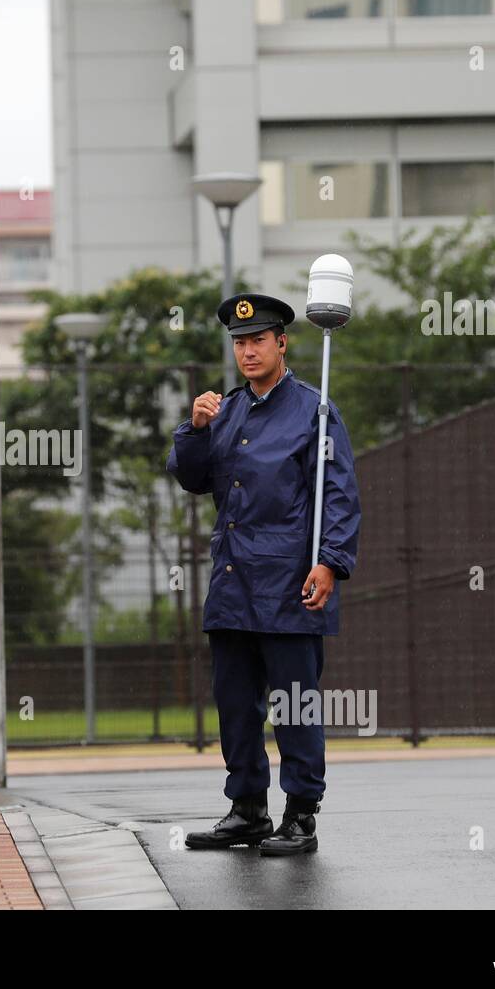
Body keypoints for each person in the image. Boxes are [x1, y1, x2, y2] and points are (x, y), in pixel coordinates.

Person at [167, 293, 360, 856]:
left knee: (295, 702)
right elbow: (193, 478)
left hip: (290, 583)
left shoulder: (314, 411)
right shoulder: (224, 411)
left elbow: (340, 496)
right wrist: (196, 429)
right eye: (239, 343)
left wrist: (331, 563)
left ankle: (301, 813)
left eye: (258, 340)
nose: (247, 351)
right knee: (235, 701)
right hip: (232, 580)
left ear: (282, 343)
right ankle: (247, 808)